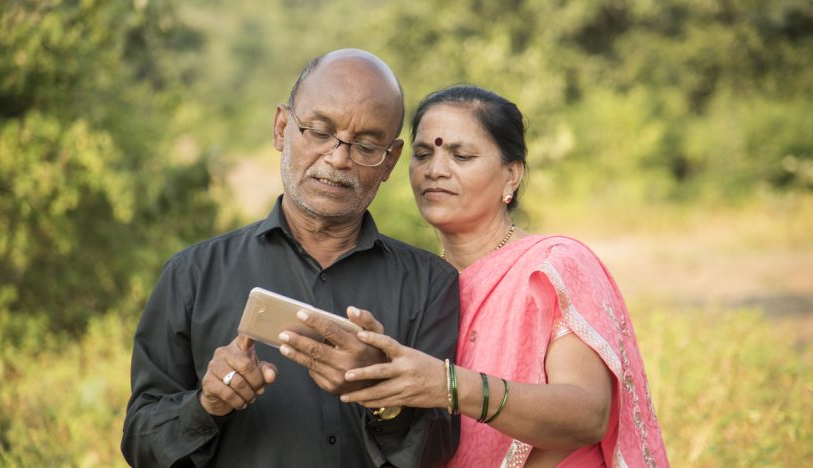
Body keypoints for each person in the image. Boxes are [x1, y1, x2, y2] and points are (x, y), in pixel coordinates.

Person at [121, 49, 460, 467]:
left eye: (367, 145)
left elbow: (444, 450)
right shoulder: (192, 275)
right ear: (282, 127)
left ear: (390, 160)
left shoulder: (431, 285)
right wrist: (207, 404)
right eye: (319, 131)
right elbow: (140, 441)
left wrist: (381, 392)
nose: (338, 159)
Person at [340, 85, 669, 467]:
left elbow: (588, 414)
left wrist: (448, 385)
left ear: (511, 175)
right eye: (423, 154)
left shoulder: (553, 266)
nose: (435, 170)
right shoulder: (419, 285)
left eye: (461, 156)